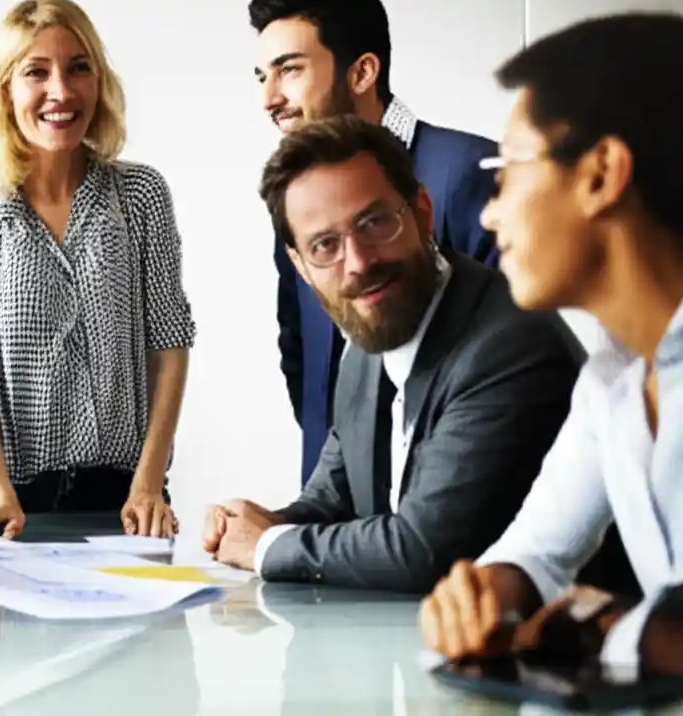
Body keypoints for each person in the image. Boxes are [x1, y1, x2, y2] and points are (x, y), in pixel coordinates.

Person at [201, 116, 581, 592]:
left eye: (375, 222)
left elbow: (426, 548)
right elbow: (330, 500)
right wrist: (255, 523)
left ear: (422, 212)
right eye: (325, 246)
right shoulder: (366, 340)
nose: (359, 262)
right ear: (300, 266)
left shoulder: (507, 341)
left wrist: (265, 547)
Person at [420, 13, 683, 676]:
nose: (487, 212)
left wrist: (607, 631)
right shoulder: (612, 379)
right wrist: (481, 596)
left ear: (600, 174)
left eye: (506, 172)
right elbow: (537, 553)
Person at [0, 0, 195, 539]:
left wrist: (149, 481)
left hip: (127, 490)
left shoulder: (141, 195)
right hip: (9, 494)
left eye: (80, 68)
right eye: (37, 72)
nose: (62, 91)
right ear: (6, 90)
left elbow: (170, 343)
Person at [248, 0, 498, 485]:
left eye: (289, 70)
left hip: (459, 515)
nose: (269, 99)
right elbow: (303, 362)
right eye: (262, 77)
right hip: (334, 518)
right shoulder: (299, 199)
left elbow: (509, 360)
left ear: (362, 72)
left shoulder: (469, 174)